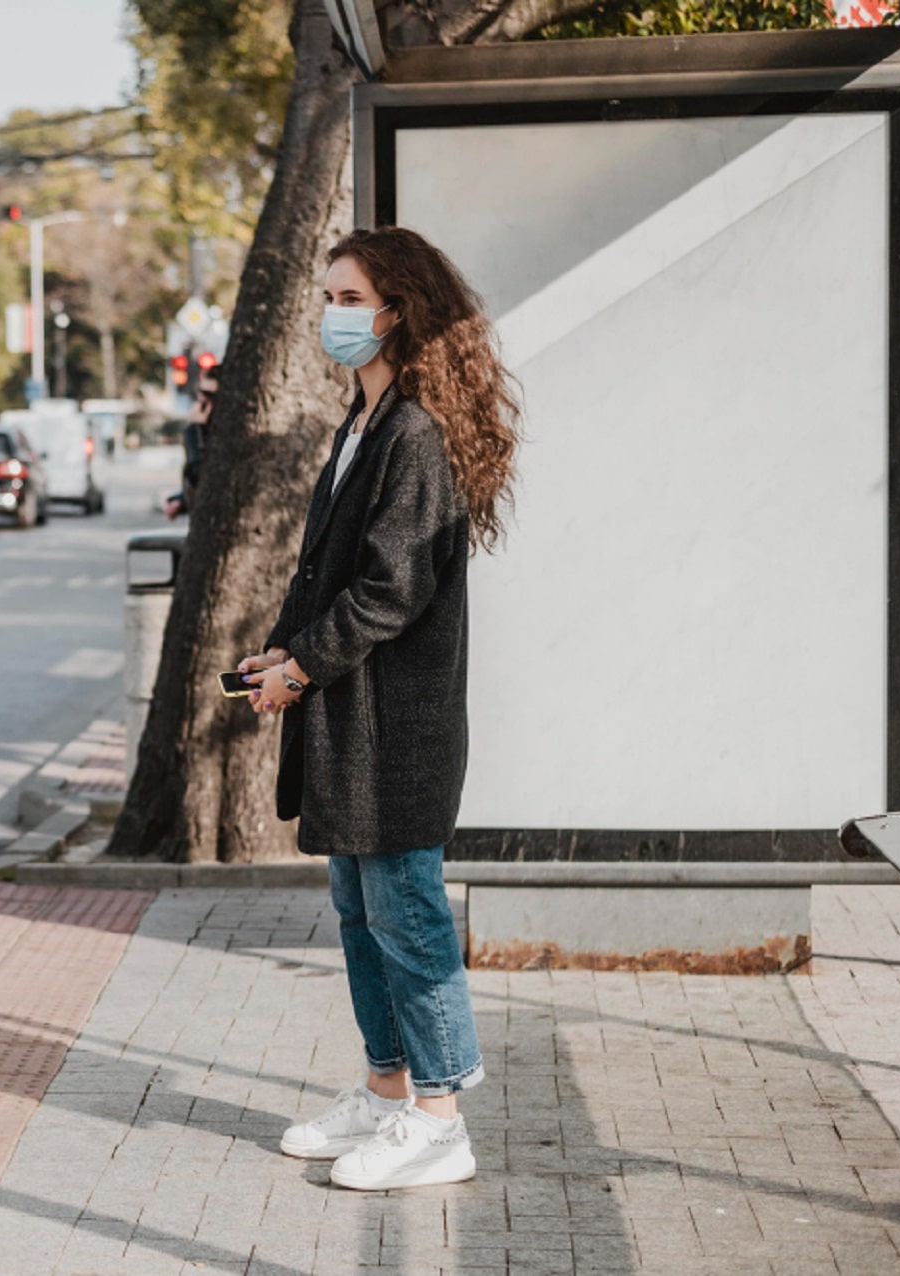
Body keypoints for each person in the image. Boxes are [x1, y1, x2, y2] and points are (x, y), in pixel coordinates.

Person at [239, 227, 519, 1191]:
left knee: (408, 915)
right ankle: (385, 1089)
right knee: (361, 913)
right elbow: (325, 572)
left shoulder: (416, 435)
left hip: (396, 728)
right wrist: (281, 649)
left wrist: (303, 668)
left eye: (350, 299)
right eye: (329, 297)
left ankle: (439, 1120)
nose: (333, 315)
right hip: (348, 721)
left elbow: (391, 590)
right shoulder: (362, 423)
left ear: (401, 311)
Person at [165, 363, 218, 519]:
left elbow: (200, 473)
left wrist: (195, 432)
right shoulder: (199, 430)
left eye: (208, 396)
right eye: (200, 394)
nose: (201, 404)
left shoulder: (204, 433)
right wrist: (181, 501)